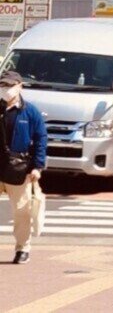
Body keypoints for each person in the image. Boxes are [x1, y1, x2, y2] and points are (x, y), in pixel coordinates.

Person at [1, 69, 46, 265]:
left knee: (22, 210)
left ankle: (22, 248)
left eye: (10, 86)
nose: (6, 90)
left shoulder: (30, 112)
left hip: (19, 167)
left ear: (20, 86)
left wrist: (37, 166)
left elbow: (40, 139)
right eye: (3, 86)